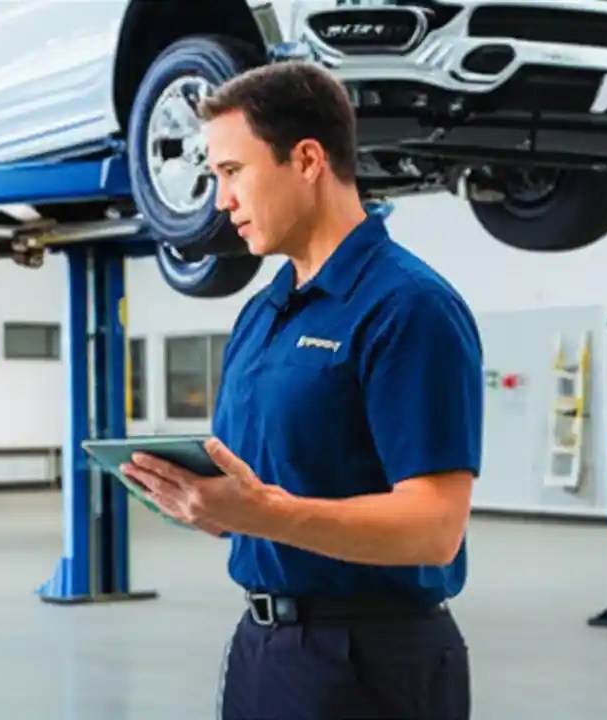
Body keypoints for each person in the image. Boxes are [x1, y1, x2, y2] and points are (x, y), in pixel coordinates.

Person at [122, 61, 481, 719]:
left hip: (373, 660)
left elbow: (435, 528)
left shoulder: (408, 308)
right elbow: (263, 493)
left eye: (232, 172)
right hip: (264, 648)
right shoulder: (262, 315)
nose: (220, 199)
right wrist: (210, 503)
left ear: (308, 159)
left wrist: (262, 514)